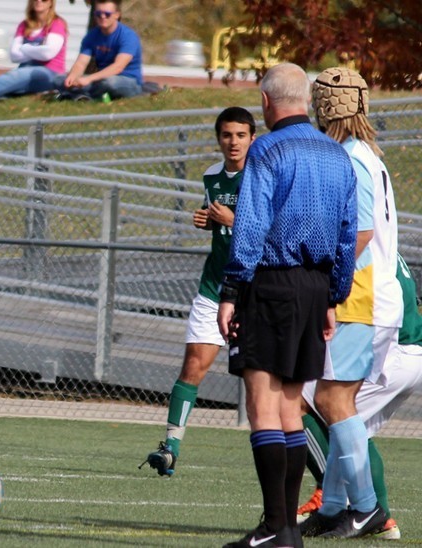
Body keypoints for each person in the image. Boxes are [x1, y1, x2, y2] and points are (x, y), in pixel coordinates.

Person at [216, 62, 358, 548]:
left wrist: (231, 291)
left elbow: (252, 224)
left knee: (263, 402)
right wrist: (333, 297)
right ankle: (287, 533)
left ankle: (274, 527)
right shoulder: (338, 156)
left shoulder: (268, 149)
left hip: (272, 283)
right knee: (291, 407)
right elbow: (346, 235)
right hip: (316, 286)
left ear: (266, 102)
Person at [299, 66, 400, 539]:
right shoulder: (362, 154)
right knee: (338, 403)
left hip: (360, 296)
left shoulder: (351, 159)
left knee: (329, 399)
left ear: (327, 107)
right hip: (368, 295)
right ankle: (337, 504)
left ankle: (366, 506)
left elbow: (358, 233)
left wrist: (327, 283)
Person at [141, 107, 256, 477]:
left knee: (267, 383)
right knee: (192, 366)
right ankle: (170, 447)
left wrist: (231, 221)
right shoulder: (211, 175)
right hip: (215, 286)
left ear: (253, 137)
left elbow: (269, 233)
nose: (233, 142)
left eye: (240, 135)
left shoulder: (262, 175)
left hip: (256, 290)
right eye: (226, 135)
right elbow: (222, 228)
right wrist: (207, 221)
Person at [296, 254, 422, 541]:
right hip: (408, 351)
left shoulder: (359, 242)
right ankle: (375, 518)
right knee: (354, 428)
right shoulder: (385, 246)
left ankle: (346, 505)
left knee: (298, 400)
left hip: (395, 353)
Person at [57, 0, 142, 101]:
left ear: (117, 15)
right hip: (101, 80)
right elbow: (81, 63)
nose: (102, 17)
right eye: (98, 14)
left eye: (107, 14)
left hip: (128, 81)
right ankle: (83, 95)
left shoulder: (128, 36)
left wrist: (88, 79)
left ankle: (78, 94)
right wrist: (72, 77)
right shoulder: (92, 35)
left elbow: (118, 67)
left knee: (109, 83)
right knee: (58, 80)